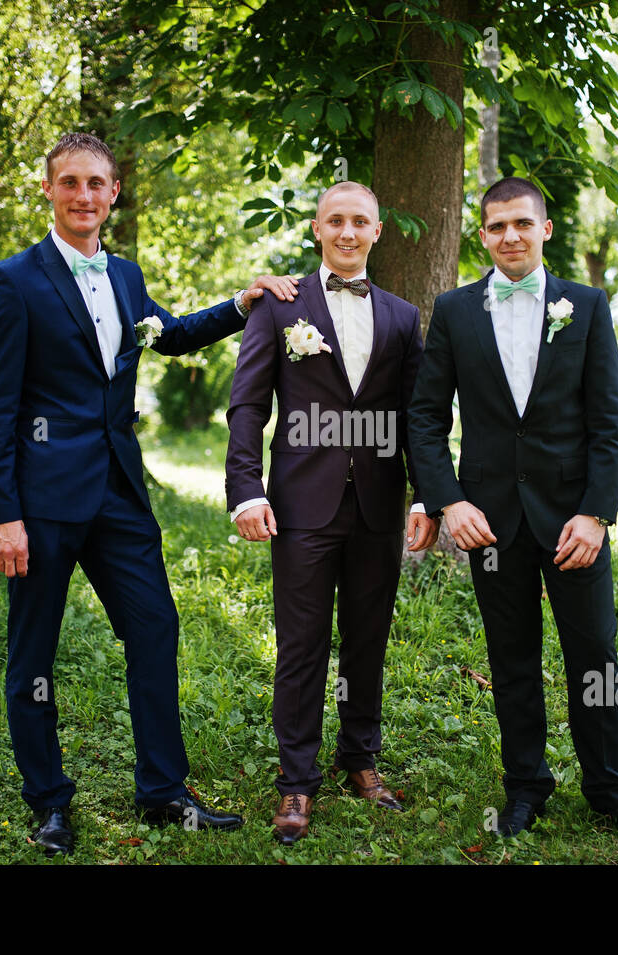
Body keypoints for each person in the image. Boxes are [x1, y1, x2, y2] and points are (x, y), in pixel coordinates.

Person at [0, 132, 298, 856]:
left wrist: (241, 305)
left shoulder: (124, 275)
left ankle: (162, 791)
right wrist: (2, 514)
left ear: (114, 194)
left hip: (119, 493)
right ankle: (49, 802)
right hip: (42, 501)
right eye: (70, 182)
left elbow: (167, 334)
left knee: (154, 630)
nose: (84, 195)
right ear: (49, 191)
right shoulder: (11, 280)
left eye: (97, 184)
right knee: (34, 657)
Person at [406, 177, 618, 852]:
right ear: (482, 235)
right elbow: (426, 418)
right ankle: (526, 786)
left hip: (571, 522)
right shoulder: (456, 310)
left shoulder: (585, 306)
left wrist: (596, 514)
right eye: (495, 227)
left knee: (595, 657)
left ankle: (612, 791)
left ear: (545, 229)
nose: (509, 237)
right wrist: (449, 499)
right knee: (512, 658)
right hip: (491, 522)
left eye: (521, 224)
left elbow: (607, 424)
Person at [225, 181, 438, 844]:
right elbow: (248, 405)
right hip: (301, 503)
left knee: (367, 638)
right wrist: (246, 488)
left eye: (361, 222)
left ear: (378, 232)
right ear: (318, 228)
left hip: (378, 503)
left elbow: (418, 418)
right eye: (336, 220)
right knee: (302, 641)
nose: (348, 232)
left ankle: (361, 760)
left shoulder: (404, 318)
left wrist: (427, 492)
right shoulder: (279, 306)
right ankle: (296, 779)